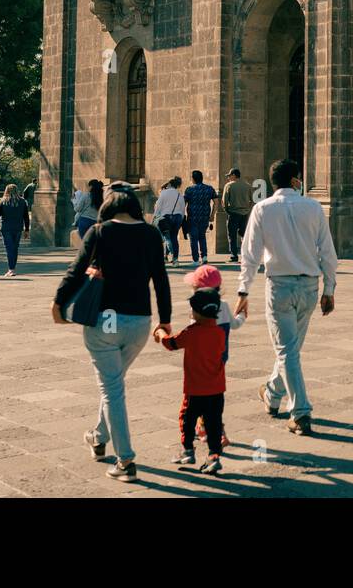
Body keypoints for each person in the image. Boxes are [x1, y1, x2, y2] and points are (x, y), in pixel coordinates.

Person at [53, 187, 172, 483]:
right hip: (140, 323)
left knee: (112, 389)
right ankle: (97, 436)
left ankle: (126, 459)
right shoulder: (151, 234)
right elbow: (160, 279)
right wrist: (165, 319)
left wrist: (58, 302)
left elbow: (76, 269)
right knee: (114, 385)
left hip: (105, 320)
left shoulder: (99, 231)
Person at [235, 159, 337, 437]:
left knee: (287, 350)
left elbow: (250, 255)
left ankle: (301, 412)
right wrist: (329, 289)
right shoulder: (313, 207)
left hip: (279, 286)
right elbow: (327, 251)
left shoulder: (262, 209)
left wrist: (243, 291)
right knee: (290, 349)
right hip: (309, 287)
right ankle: (272, 393)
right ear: (294, 181)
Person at [158, 287, 230, 474]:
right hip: (216, 390)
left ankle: (188, 450)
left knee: (187, 419)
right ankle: (214, 456)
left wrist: (160, 333)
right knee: (214, 423)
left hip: (195, 390)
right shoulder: (220, 333)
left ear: (197, 312)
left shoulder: (191, 332)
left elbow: (170, 343)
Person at [185, 264, 245, 448]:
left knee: (201, 397)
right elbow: (235, 325)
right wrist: (242, 314)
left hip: (199, 361)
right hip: (220, 360)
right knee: (213, 395)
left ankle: (213, 431)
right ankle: (207, 428)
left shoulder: (197, 310)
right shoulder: (225, 306)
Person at [0, 183, 31, 278]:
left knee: (9, 248)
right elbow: (26, 217)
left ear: (6, 191)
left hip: (6, 228)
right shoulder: (22, 202)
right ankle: (13, 268)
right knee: (15, 248)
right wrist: (27, 230)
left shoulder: (3, 201)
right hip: (18, 228)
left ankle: (11, 269)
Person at [183, 170, 218, 266]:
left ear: (193, 179)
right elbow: (216, 202)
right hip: (204, 216)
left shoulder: (189, 189)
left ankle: (195, 260)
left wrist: (183, 216)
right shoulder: (209, 189)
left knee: (193, 238)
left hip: (192, 217)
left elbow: (184, 203)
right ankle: (204, 257)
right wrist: (212, 215)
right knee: (202, 236)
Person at [220, 168, 253, 263]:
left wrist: (227, 211)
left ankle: (234, 256)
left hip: (233, 213)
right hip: (244, 213)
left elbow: (224, 201)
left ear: (234, 175)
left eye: (229, 176)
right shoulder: (247, 186)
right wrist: (247, 210)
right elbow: (251, 200)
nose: (228, 178)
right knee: (244, 235)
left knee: (232, 235)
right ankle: (247, 255)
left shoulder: (229, 186)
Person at [155, 177, 185, 265]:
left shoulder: (164, 193)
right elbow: (183, 209)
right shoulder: (180, 195)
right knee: (174, 238)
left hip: (166, 217)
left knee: (167, 238)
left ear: (170, 184)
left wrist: (155, 217)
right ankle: (174, 258)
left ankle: (173, 257)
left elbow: (158, 207)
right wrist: (181, 219)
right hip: (178, 218)